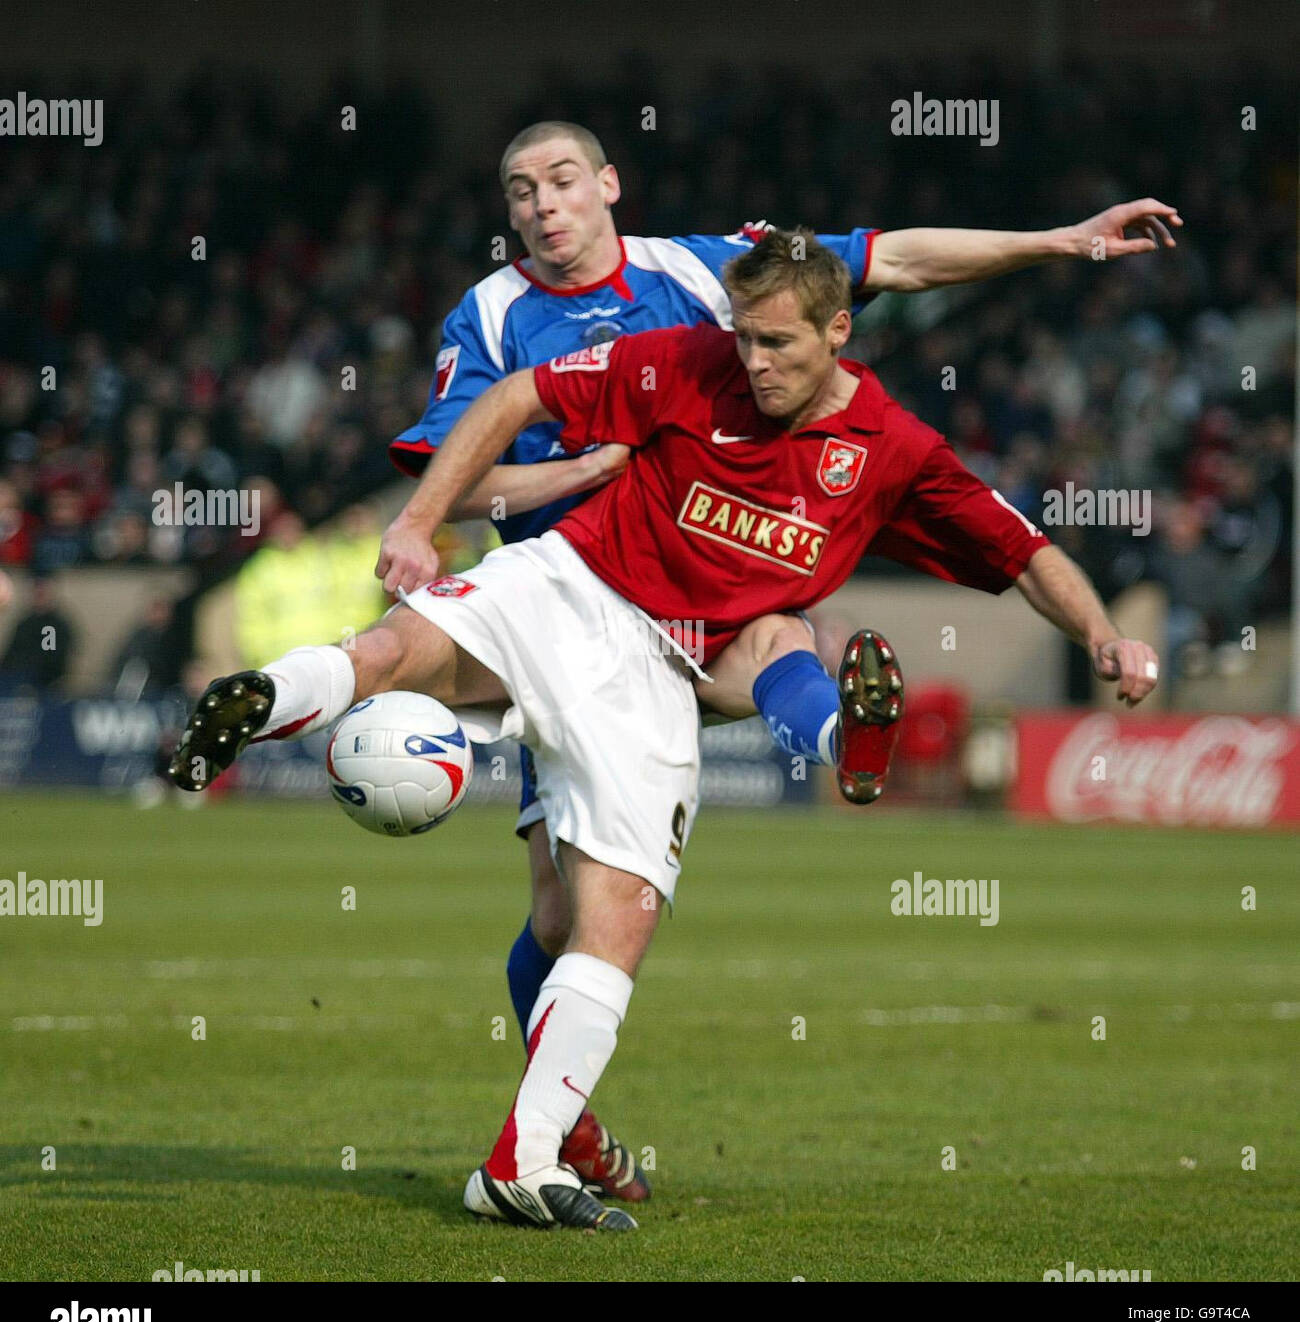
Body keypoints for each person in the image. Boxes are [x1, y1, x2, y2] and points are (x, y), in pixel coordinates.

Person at [167, 229, 1160, 1231]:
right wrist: (419, 524)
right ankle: (260, 700)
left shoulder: (894, 450)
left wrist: (1104, 635)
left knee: (615, 914)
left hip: (670, 668)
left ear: (839, 331)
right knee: (388, 653)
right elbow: (517, 399)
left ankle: (524, 1157)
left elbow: (1021, 548)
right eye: (743, 339)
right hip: (574, 580)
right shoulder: (686, 360)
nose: (753, 362)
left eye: (776, 344)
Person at [380, 120, 1181, 1202]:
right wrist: (584, 470)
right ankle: (558, 1133)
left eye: (562, 180)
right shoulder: (487, 316)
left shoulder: (708, 271)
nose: (542, 204)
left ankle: (838, 736)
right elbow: (458, 474)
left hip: (713, 589)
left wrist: (1059, 242)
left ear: (608, 183)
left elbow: (892, 256)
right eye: (519, 190)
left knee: (777, 634)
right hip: (568, 615)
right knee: (560, 919)